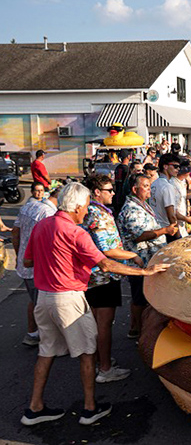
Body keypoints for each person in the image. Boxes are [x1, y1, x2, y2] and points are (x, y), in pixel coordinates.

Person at [20, 182, 169, 427]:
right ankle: (90, 409)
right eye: (86, 205)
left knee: (45, 352)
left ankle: (34, 407)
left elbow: (27, 261)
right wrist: (146, 272)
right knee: (88, 352)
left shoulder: (42, 225)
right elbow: (107, 264)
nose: (87, 210)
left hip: (44, 298)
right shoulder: (76, 232)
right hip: (68, 298)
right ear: (77, 206)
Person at [82, 174, 145, 383]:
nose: (114, 193)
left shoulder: (93, 211)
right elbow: (108, 250)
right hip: (103, 277)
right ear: (97, 192)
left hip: (96, 276)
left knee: (97, 323)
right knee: (104, 323)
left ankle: (102, 361)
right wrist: (133, 255)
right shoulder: (97, 215)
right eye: (109, 190)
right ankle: (105, 368)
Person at [117, 175, 178, 338]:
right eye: (145, 186)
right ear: (134, 189)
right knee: (139, 298)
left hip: (149, 257)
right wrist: (164, 231)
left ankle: (137, 328)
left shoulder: (142, 204)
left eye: (149, 186)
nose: (149, 189)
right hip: (140, 262)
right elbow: (138, 236)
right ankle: (138, 330)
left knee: (142, 296)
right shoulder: (131, 209)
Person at [11, 186, 61, 347]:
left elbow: (15, 232)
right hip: (37, 266)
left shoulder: (29, 206)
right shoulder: (49, 214)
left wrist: (19, 254)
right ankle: (45, 340)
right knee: (43, 303)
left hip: (26, 264)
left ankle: (33, 333)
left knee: (35, 300)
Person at [150, 154, 183, 242]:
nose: (178, 169)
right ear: (165, 166)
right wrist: (178, 236)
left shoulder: (154, 184)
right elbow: (171, 215)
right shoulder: (167, 187)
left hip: (155, 229)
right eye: (175, 166)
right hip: (167, 231)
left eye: (179, 167)